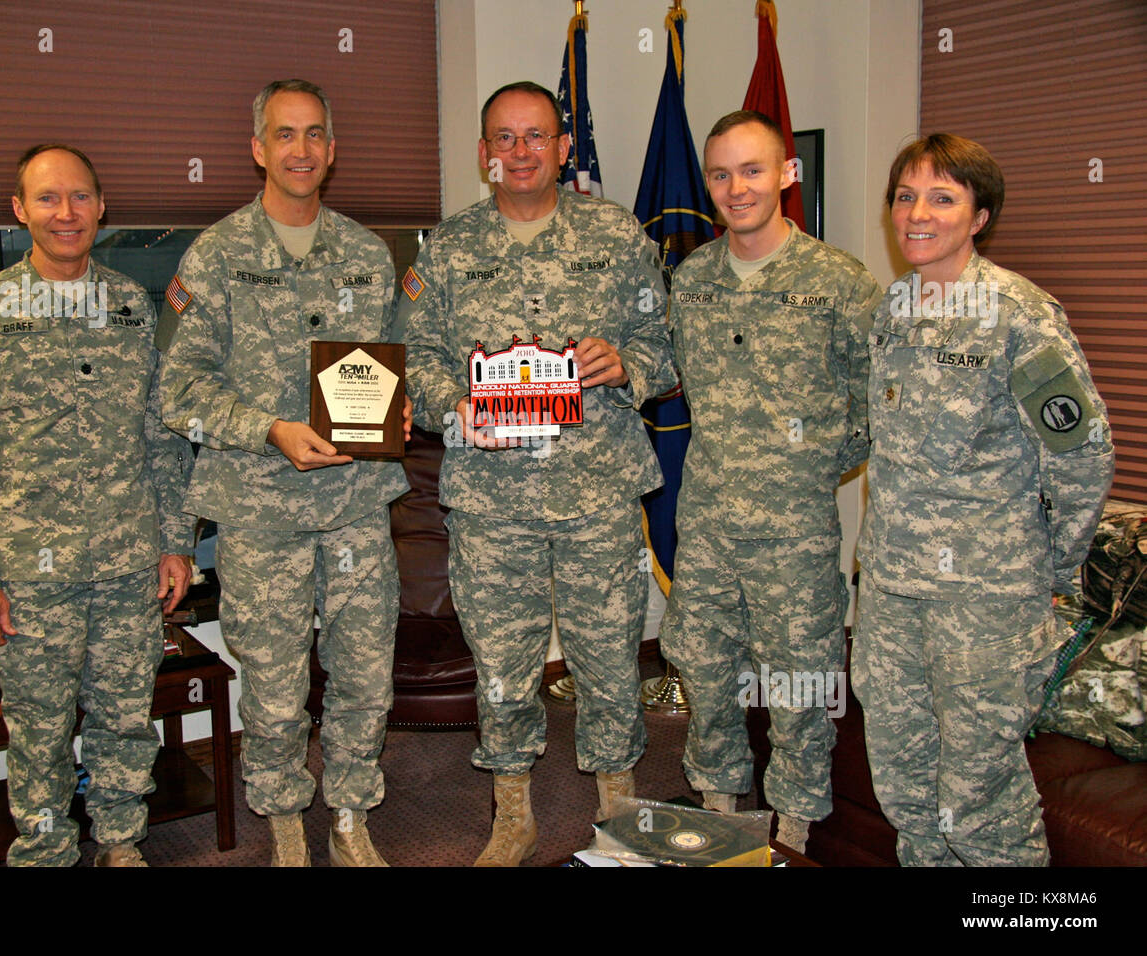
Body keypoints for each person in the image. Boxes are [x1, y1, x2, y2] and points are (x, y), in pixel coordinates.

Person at [398, 81, 676, 866]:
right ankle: (513, 809)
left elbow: (664, 350)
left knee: (610, 661)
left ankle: (619, 804)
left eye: (536, 137)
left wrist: (626, 365)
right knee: (504, 666)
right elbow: (413, 363)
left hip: (598, 493)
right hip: (494, 502)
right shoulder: (446, 251)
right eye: (504, 139)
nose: (520, 153)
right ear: (485, 154)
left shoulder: (619, 238)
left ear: (562, 147)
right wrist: (456, 404)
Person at [158, 79, 410, 867]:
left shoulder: (370, 256)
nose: (300, 150)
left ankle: (350, 814)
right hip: (260, 510)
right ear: (259, 149)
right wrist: (267, 429)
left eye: (314, 135)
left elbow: (397, 369)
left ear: (332, 151)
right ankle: (285, 825)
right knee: (272, 691)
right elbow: (180, 393)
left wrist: (404, 412)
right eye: (284, 135)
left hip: (357, 507)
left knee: (366, 678)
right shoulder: (218, 256)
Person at [0, 144, 196, 867]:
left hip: (127, 564)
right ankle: (44, 855)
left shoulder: (133, 308)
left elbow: (161, 440)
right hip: (26, 579)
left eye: (80, 197)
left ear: (101, 208)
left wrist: (176, 543)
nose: (66, 212)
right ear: (20, 211)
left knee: (123, 724)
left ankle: (121, 845)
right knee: (38, 734)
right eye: (48, 199)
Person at [853, 133, 1114, 865]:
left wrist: (1048, 570)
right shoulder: (893, 309)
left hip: (985, 599)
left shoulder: (1019, 316)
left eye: (942, 196)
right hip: (893, 590)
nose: (917, 213)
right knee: (905, 788)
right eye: (905, 195)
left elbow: (1084, 457)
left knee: (979, 804)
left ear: (980, 215)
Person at [656, 111, 882, 853]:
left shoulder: (841, 282)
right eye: (720, 174)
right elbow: (670, 378)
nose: (734, 187)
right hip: (710, 529)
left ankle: (792, 834)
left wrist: (809, 464)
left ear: (787, 174)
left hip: (794, 536)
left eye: (752, 170)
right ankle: (719, 821)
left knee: (799, 689)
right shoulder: (690, 282)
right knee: (709, 679)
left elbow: (874, 403)